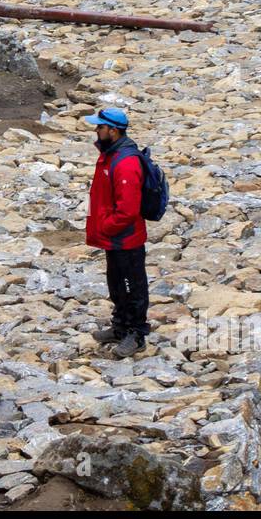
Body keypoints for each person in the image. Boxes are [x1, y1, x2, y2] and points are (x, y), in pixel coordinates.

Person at [84, 107, 149, 358]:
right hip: (114, 237)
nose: (96, 130)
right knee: (117, 283)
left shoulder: (125, 162)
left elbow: (128, 209)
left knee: (133, 286)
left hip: (125, 237)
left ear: (113, 130)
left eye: (100, 127)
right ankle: (121, 326)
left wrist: (106, 227)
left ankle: (136, 334)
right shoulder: (111, 154)